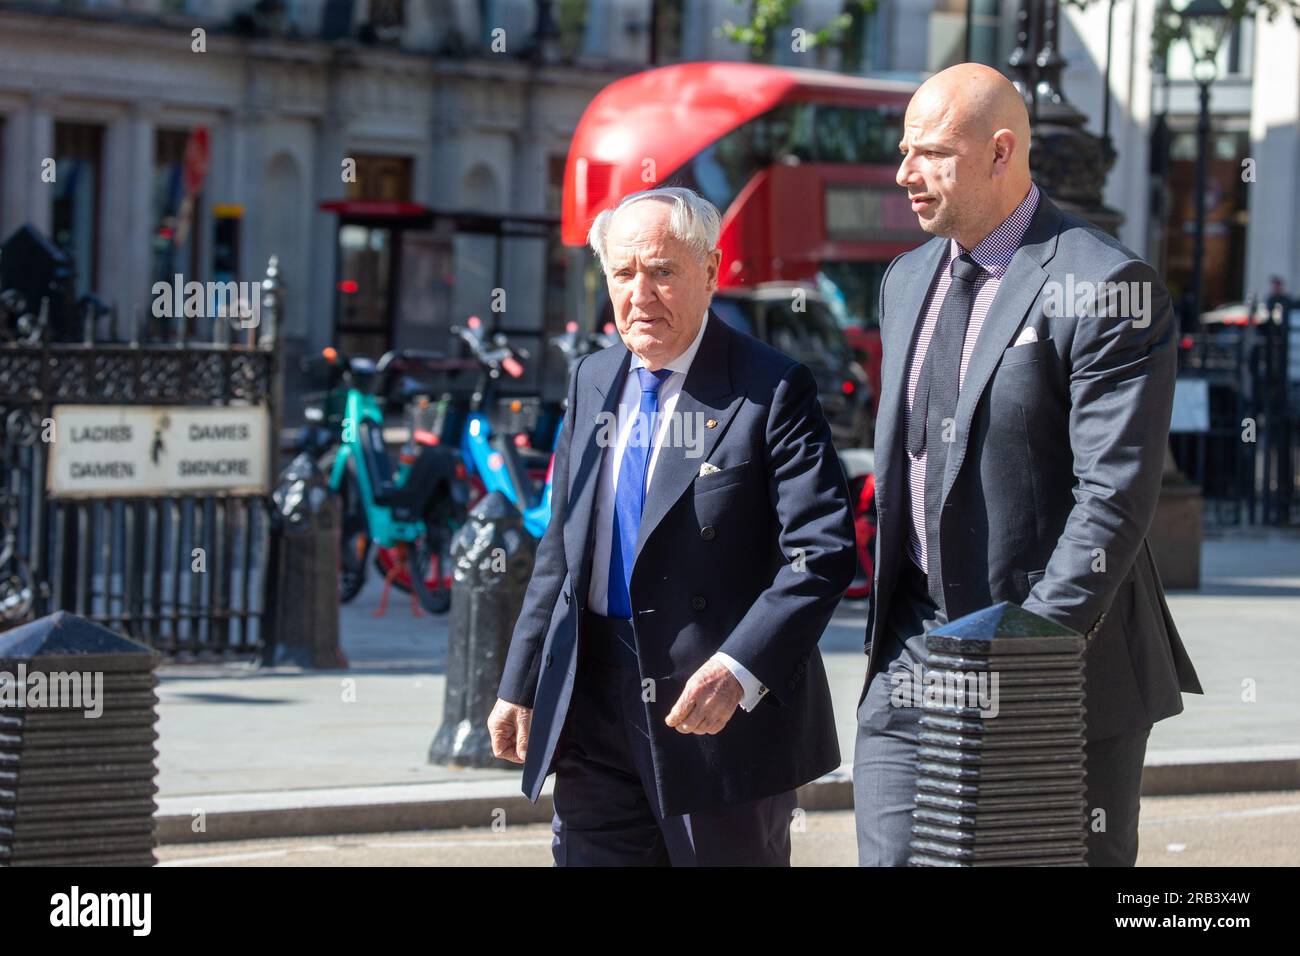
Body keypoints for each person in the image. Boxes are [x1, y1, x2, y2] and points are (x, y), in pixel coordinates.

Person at [855, 63, 1203, 867]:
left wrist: (1027, 652)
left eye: (931, 153)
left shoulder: (1107, 284)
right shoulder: (907, 280)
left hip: (1057, 661)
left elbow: (1111, 498)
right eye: (904, 151)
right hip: (916, 653)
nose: (905, 173)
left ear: (1001, 151)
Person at [488, 186, 857, 866]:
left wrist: (740, 668)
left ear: (711, 272)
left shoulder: (770, 387)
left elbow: (821, 552)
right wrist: (521, 681)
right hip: (593, 699)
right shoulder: (593, 378)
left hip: (710, 708)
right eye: (624, 273)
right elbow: (562, 551)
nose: (640, 294)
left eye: (662, 271)